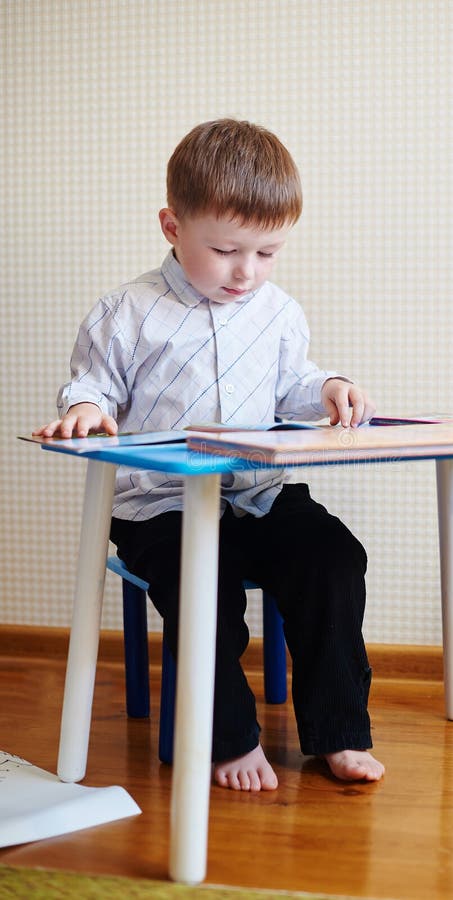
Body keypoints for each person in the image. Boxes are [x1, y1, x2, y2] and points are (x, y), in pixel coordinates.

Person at [34, 119, 385, 791]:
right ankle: (225, 738)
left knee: (333, 556)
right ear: (172, 226)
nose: (245, 272)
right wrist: (84, 410)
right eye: (225, 250)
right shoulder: (126, 312)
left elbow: (294, 384)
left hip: (258, 495)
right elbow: (92, 386)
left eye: (266, 253)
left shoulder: (277, 311)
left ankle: (338, 733)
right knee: (206, 581)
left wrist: (332, 387)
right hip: (159, 509)